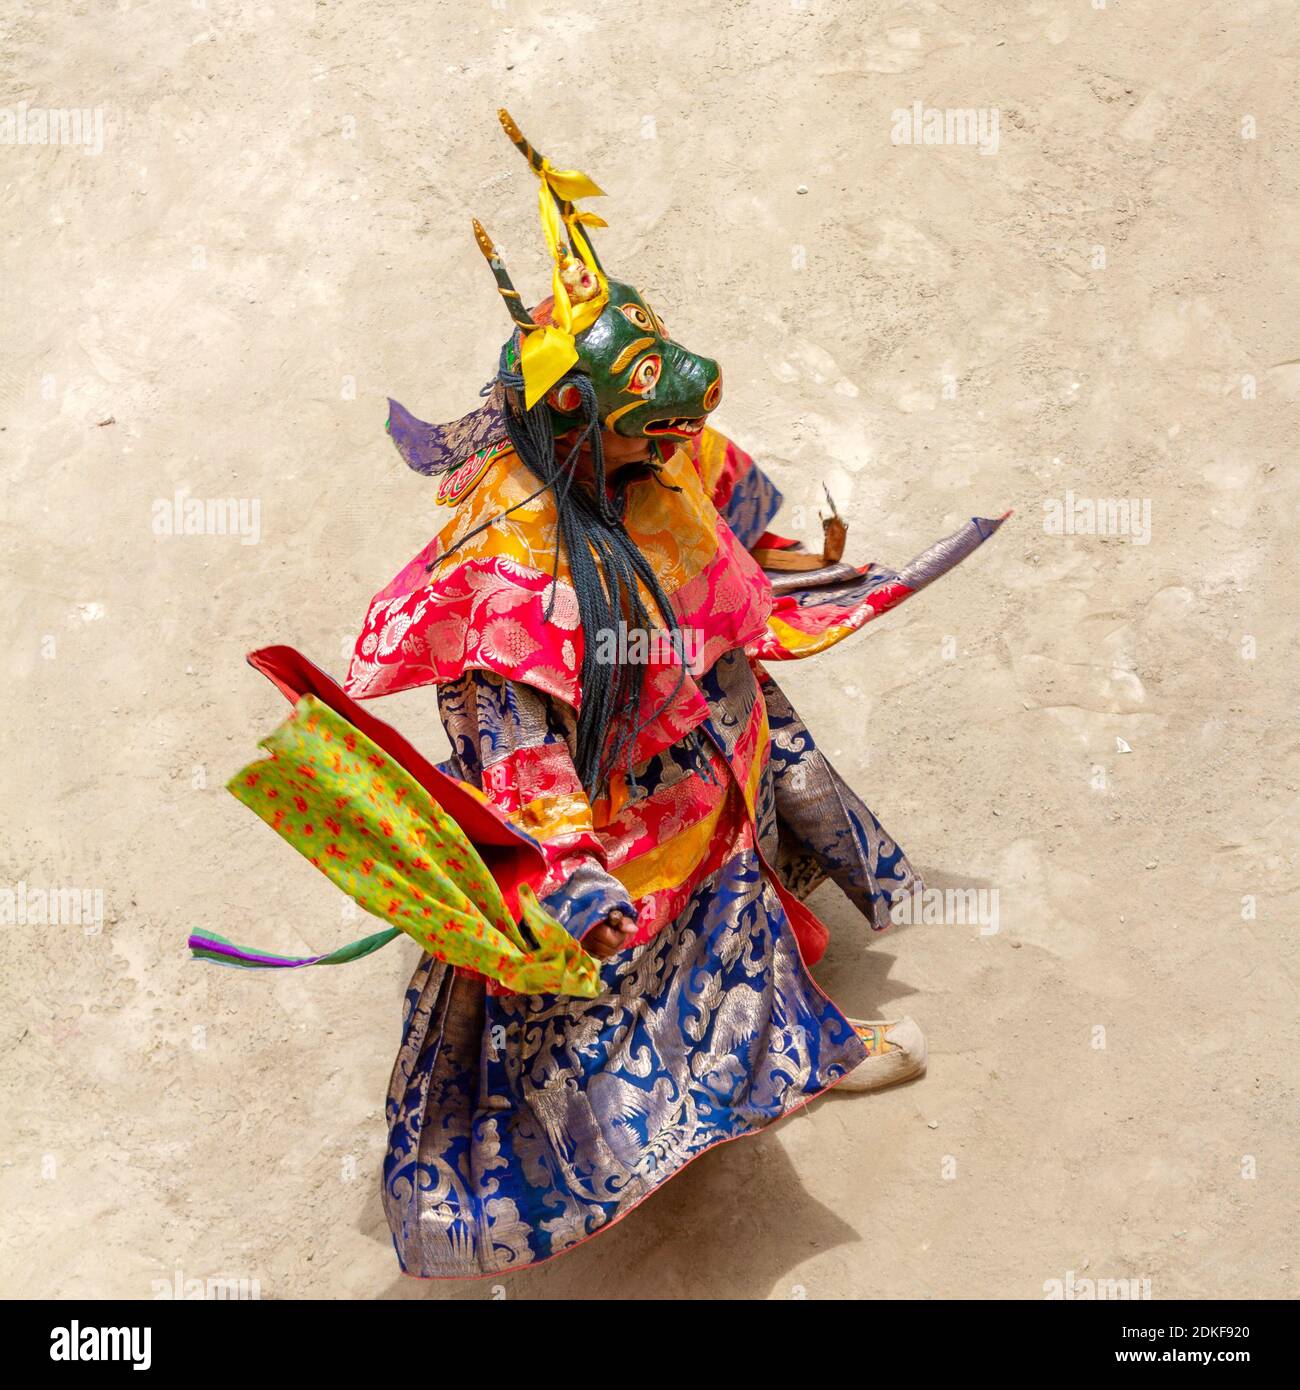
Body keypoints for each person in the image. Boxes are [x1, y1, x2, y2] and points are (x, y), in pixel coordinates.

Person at [324, 111, 1007, 1278]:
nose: (682, 432)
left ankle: (788, 1007)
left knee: (749, 888)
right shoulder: (509, 575)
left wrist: (806, 557)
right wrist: (571, 865)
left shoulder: (661, 450)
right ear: (578, 427)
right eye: (654, 418)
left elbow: (726, 511)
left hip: (717, 738)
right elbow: (513, 740)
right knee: (633, 995)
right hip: (620, 821)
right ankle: (767, 1072)